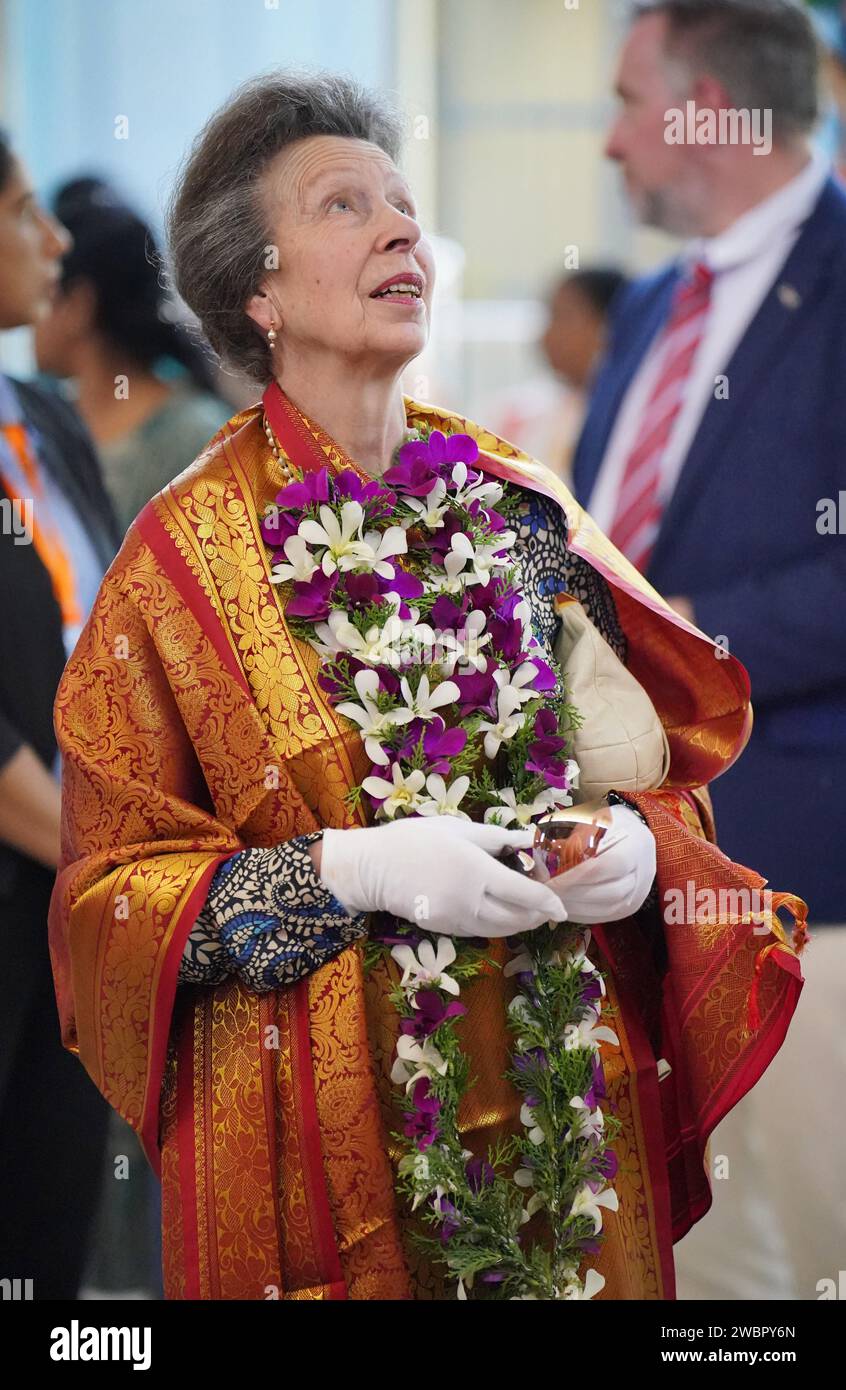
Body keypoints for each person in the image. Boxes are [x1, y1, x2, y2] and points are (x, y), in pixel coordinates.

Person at [48, 72, 805, 1301]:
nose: (402, 228)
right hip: (322, 1162)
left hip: (563, 1122)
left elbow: (657, 772)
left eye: (403, 204)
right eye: (347, 207)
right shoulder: (177, 565)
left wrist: (637, 849)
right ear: (260, 289)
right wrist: (350, 873)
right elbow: (107, 914)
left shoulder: (522, 511)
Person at [572, 0, 846, 1296]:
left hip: (799, 880)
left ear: (702, 113)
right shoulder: (647, 311)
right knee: (704, 1269)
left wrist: (651, 649)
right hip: (630, 883)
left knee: (814, 1250)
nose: (612, 145)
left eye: (627, 103)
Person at [0, 130, 119, 1298]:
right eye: (27, 212)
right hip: (57, 862)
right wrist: (126, 859)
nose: (56, 240)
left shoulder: (47, 412)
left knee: (53, 1245)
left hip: (73, 910)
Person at [33, 179, 229, 536]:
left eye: (45, 292)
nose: (32, 319)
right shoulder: (43, 422)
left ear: (78, 305)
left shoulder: (194, 441)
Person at [494, 267, 628, 484]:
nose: (546, 336)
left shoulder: (626, 420)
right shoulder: (531, 414)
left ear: (607, 326)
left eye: (562, 317)